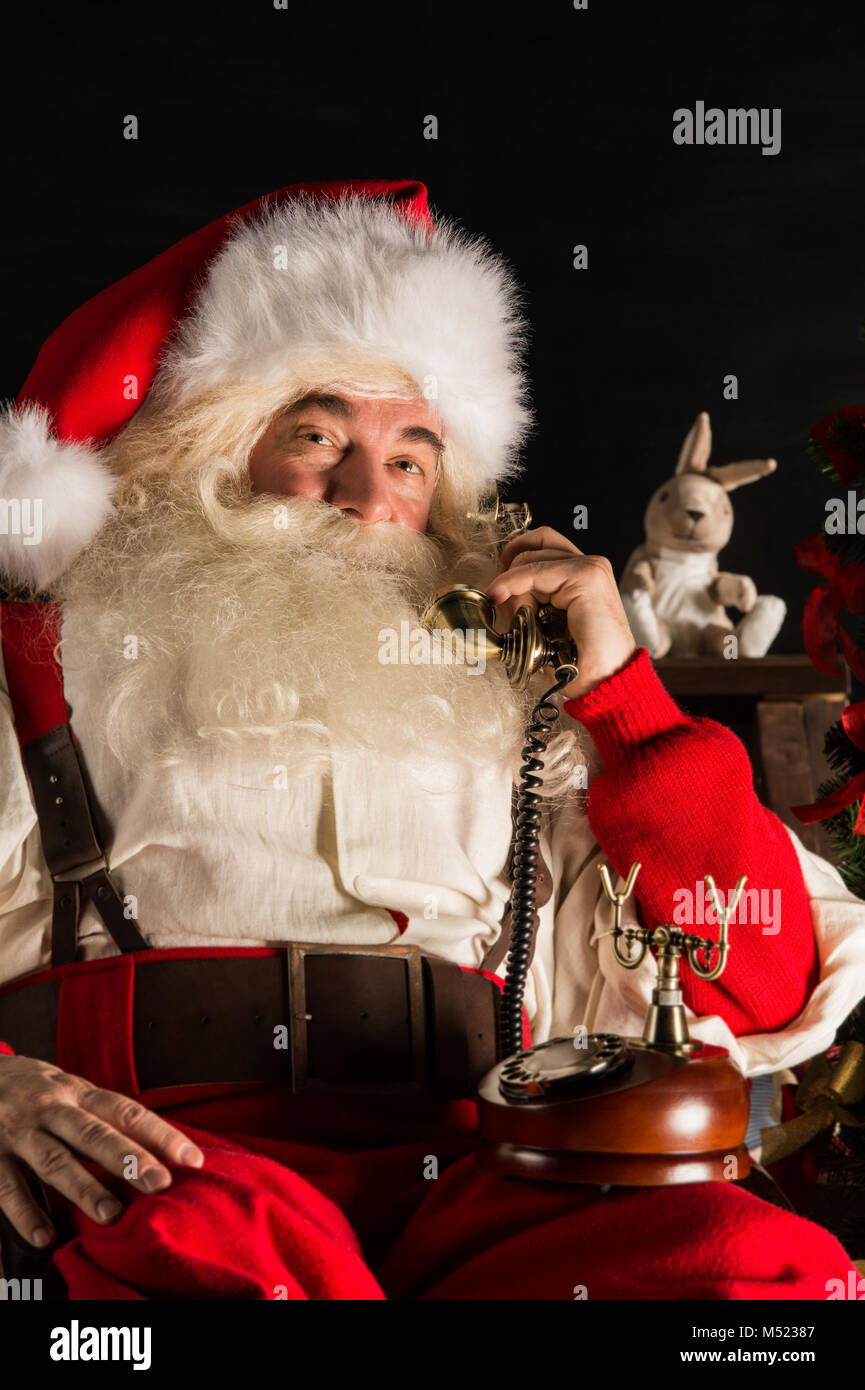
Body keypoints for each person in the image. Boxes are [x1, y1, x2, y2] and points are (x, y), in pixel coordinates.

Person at [0, 178, 863, 1300]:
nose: (369, 495)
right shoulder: (48, 661)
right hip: (165, 1163)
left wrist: (620, 696)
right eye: (317, 436)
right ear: (211, 455)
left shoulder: (523, 706)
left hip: (480, 1173)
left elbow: (761, 974)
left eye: (411, 457)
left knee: (753, 1268)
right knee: (217, 1253)